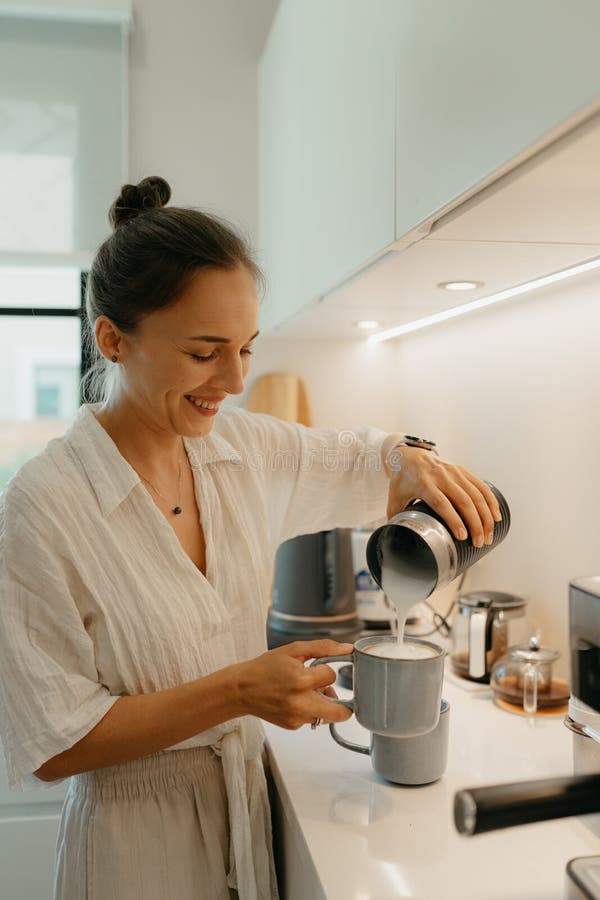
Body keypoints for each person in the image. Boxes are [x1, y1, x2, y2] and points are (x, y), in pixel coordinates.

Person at [0, 177, 501, 900]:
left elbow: (363, 459)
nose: (233, 380)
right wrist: (239, 689)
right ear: (113, 338)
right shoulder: (45, 506)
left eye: (245, 349)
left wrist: (406, 455)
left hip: (246, 824)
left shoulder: (239, 448)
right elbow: (53, 744)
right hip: (133, 856)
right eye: (205, 353)